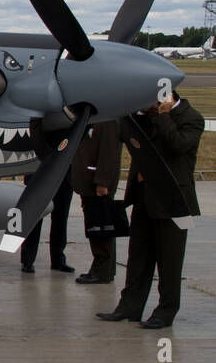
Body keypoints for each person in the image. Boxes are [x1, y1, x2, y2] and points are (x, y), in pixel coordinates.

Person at [96, 91, 202, 328]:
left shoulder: (192, 118)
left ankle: (165, 312)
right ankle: (129, 307)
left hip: (174, 203)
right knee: (138, 258)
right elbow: (125, 133)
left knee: (170, 262)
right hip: (144, 198)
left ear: (166, 99)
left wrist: (163, 116)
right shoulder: (147, 117)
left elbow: (177, 145)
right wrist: (138, 112)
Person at [20, 119, 75, 274]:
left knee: (60, 218)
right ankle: (28, 259)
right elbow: (35, 133)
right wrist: (50, 159)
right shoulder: (41, 114)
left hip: (64, 173)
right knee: (34, 217)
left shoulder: (71, 114)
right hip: (40, 170)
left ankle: (58, 259)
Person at [72, 119, 121, 284]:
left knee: (101, 228)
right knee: (99, 228)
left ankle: (102, 271)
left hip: (97, 185)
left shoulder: (108, 120)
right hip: (89, 183)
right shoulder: (96, 118)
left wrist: (102, 181)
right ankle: (104, 269)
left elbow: (110, 152)